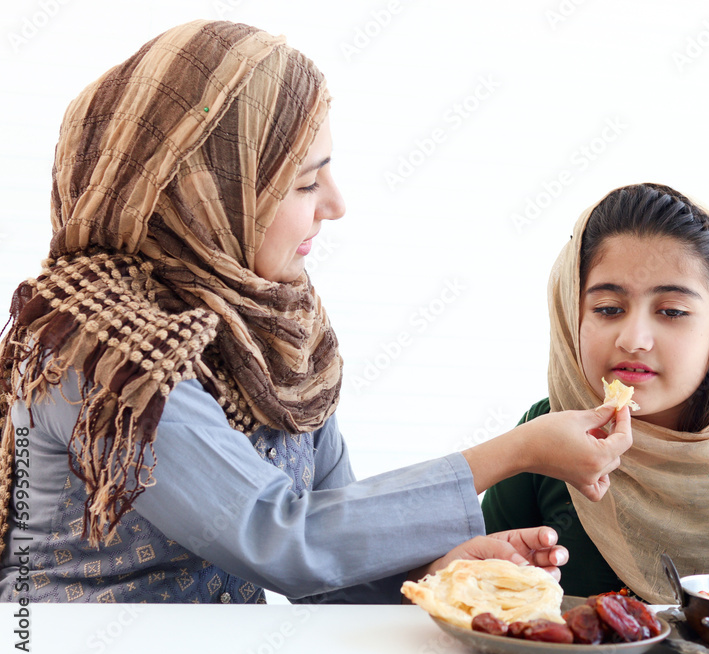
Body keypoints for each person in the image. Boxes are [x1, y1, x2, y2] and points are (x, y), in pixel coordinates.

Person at [0, 20, 632, 604]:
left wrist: (438, 570)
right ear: (207, 193)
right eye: (305, 183)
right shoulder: (97, 342)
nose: (335, 203)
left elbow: (330, 539)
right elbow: (276, 537)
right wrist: (518, 450)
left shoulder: (272, 329)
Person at [482, 183, 709, 601]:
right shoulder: (545, 433)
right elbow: (475, 601)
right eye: (608, 308)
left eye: (672, 312)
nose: (634, 339)